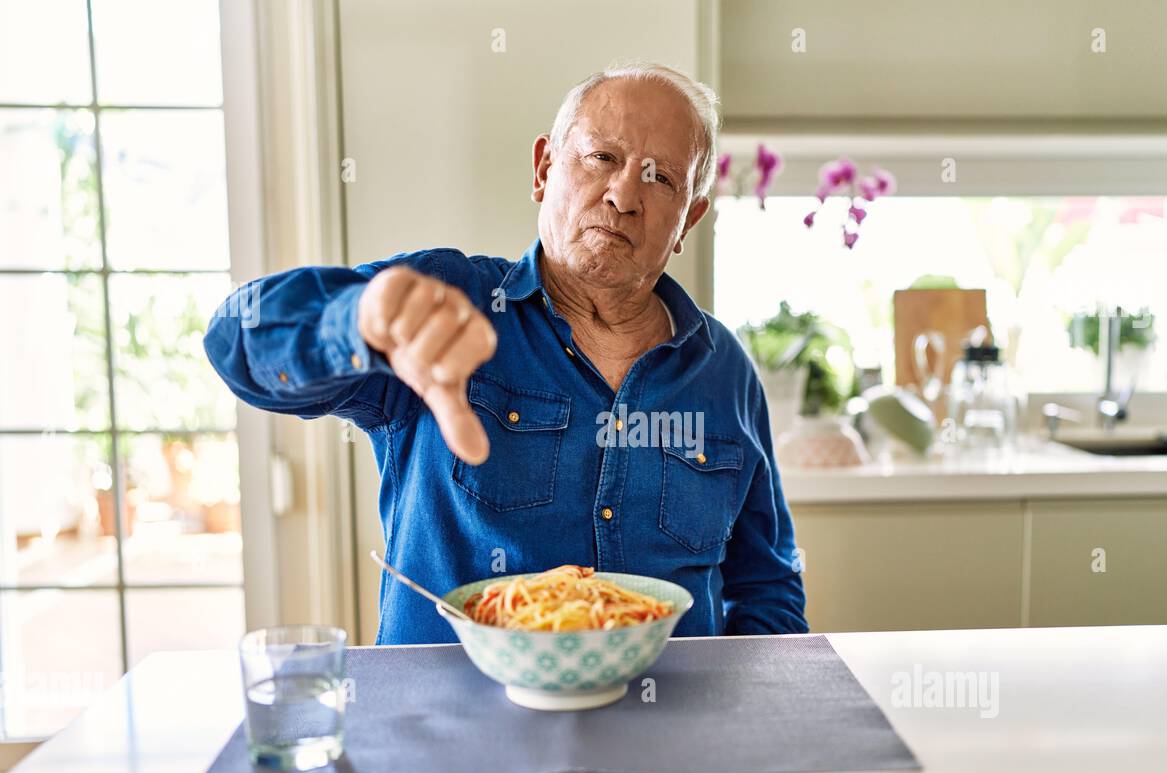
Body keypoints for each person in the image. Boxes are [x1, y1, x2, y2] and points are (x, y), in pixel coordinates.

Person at [205, 60, 806, 644]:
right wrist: (354, 319)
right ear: (544, 168)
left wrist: (740, 720)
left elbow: (768, 587)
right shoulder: (445, 301)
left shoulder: (724, 369)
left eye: (661, 177)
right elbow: (234, 338)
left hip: (666, 732)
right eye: (602, 157)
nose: (624, 195)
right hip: (453, 737)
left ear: (688, 221)